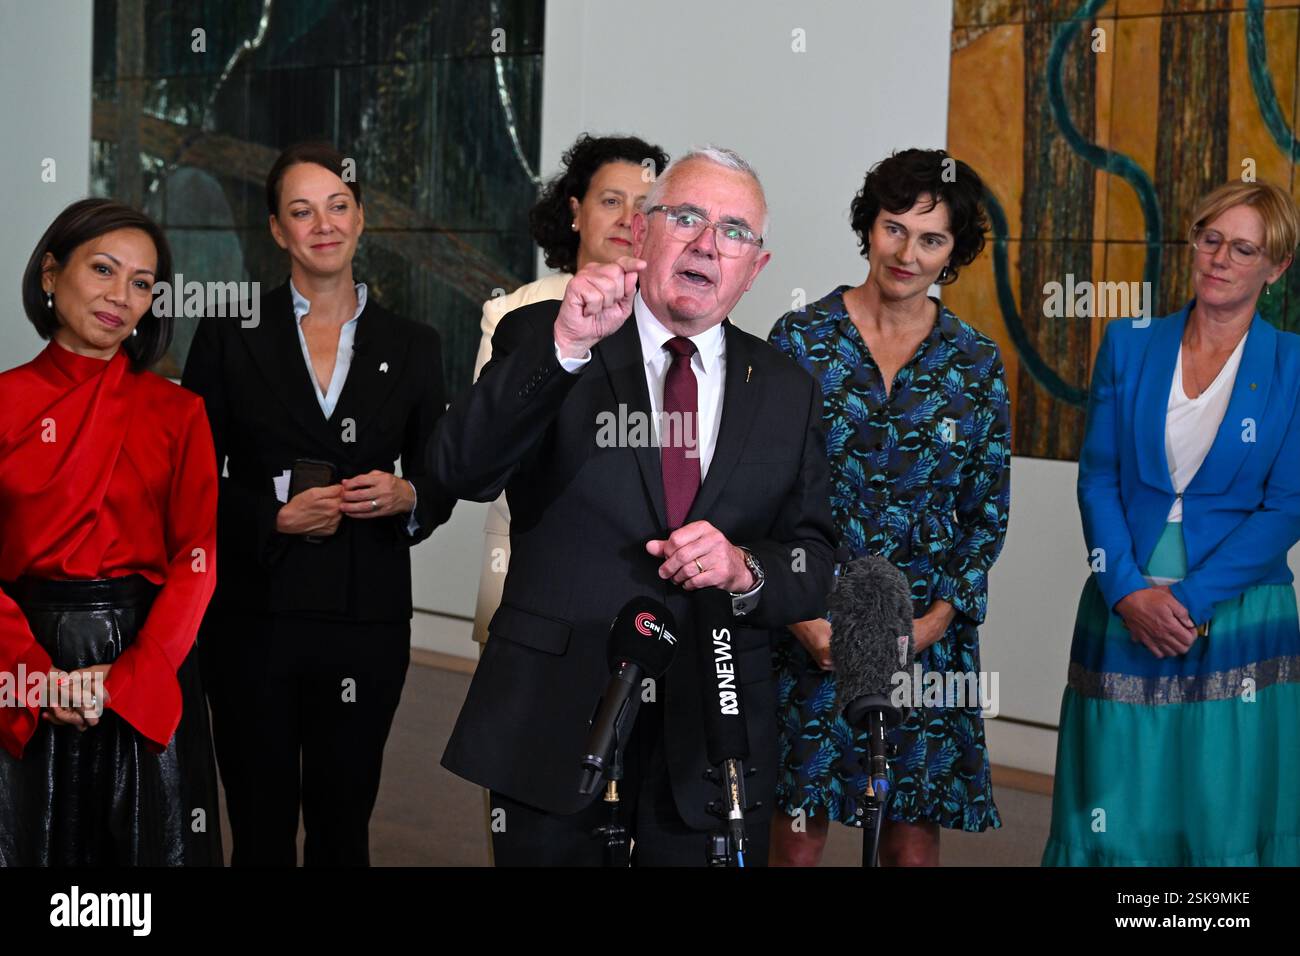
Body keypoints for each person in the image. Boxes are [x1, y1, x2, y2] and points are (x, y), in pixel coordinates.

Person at [433, 146, 837, 866]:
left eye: (734, 231)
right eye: (687, 218)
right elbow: (456, 468)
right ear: (643, 232)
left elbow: (812, 561)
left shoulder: (785, 388)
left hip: (709, 735)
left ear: (756, 267)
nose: (708, 244)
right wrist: (564, 347)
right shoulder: (551, 336)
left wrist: (746, 568)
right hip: (554, 714)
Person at [181, 141, 455, 866]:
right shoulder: (228, 334)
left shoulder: (415, 344)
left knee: (343, 828)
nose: (323, 224)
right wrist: (269, 516)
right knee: (261, 829)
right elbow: (191, 479)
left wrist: (409, 494)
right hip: (253, 618)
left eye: (338, 206)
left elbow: (440, 475)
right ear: (277, 230)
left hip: (365, 619)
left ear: (361, 218)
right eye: (302, 211)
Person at [1043, 180, 1300, 866]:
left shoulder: (1294, 365)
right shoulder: (1128, 345)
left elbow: (1287, 506)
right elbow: (1098, 476)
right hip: (1123, 597)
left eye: (1242, 248)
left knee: (1223, 802)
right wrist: (1126, 590)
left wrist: (1186, 602)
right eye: (1210, 239)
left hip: (1237, 609)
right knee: (1118, 799)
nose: (1219, 258)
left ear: (1275, 268)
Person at [767, 148, 1011, 866]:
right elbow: (761, 495)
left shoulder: (976, 362)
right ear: (868, 227)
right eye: (894, 227)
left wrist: (931, 625)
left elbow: (985, 514)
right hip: (811, 622)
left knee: (909, 845)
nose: (907, 252)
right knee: (799, 844)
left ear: (954, 252)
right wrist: (806, 622)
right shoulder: (799, 341)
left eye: (931, 238)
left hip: (925, 635)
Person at [0, 198, 221, 865]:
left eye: (142, 283)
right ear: (49, 273)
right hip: (19, 656)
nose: (121, 297)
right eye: (102, 269)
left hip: (143, 657)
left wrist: (132, 678)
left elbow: (196, 558)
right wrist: (33, 677)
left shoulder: (178, 412)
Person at [472, 134, 669, 647]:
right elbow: (486, 451)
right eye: (611, 201)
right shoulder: (514, 313)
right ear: (576, 211)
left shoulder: (683, 316)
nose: (629, 219)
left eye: (644, 206)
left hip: (654, 574)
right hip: (534, 567)